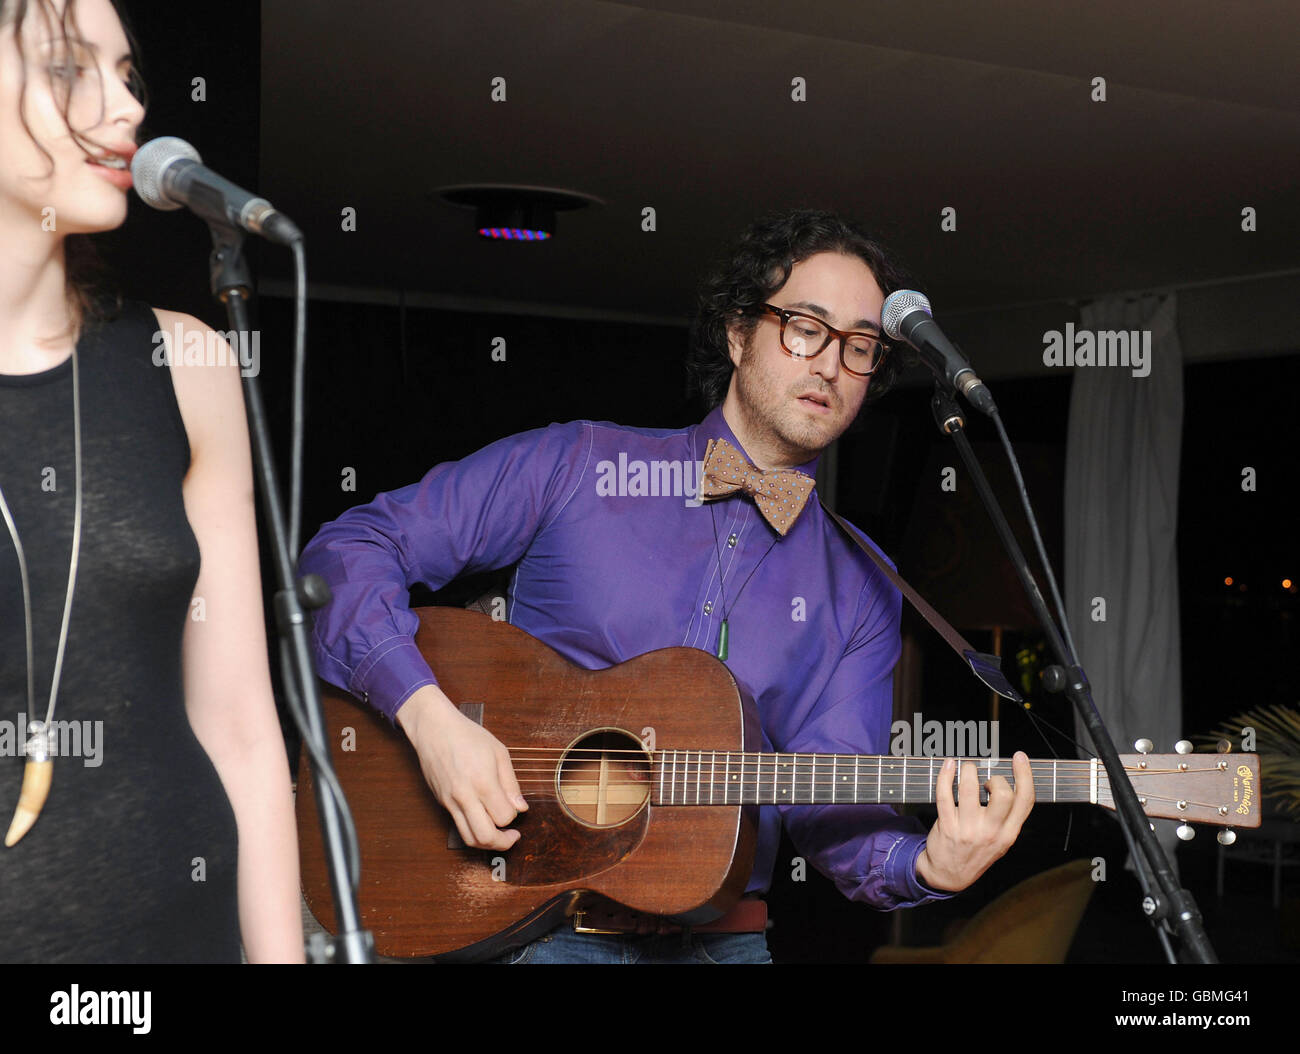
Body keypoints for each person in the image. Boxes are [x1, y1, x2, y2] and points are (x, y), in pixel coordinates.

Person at [299, 209, 1034, 964]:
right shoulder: (576, 466)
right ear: (739, 332)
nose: (828, 364)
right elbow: (343, 554)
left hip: (723, 942)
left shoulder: (865, 583)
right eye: (805, 327)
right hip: (526, 928)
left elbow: (829, 802)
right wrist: (429, 720)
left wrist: (925, 866)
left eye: (859, 346)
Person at [0, 0, 302, 961]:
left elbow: (244, 731)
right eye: (65, 67)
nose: (126, 110)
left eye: (126, 75)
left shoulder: (189, 364)